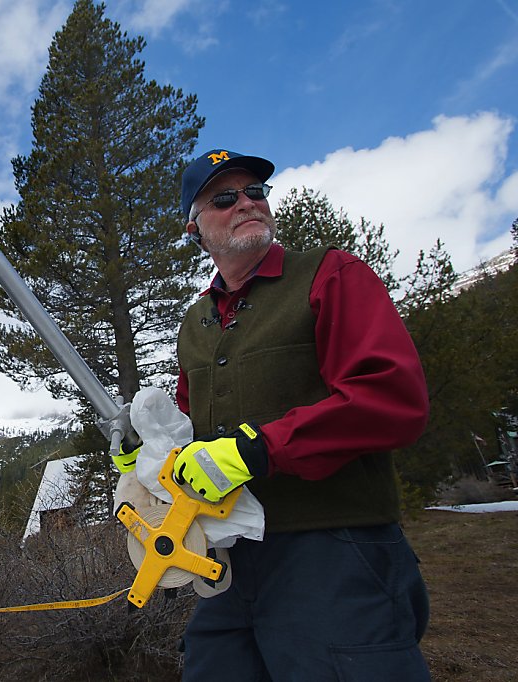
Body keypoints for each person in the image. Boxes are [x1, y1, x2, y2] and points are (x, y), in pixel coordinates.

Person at [168, 149, 431, 680]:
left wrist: (259, 448)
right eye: (224, 197)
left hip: (332, 550)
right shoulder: (195, 321)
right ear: (194, 228)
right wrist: (146, 453)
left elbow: (391, 396)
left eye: (255, 192)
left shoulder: (330, 274)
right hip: (227, 561)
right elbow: (185, 426)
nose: (246, 202)